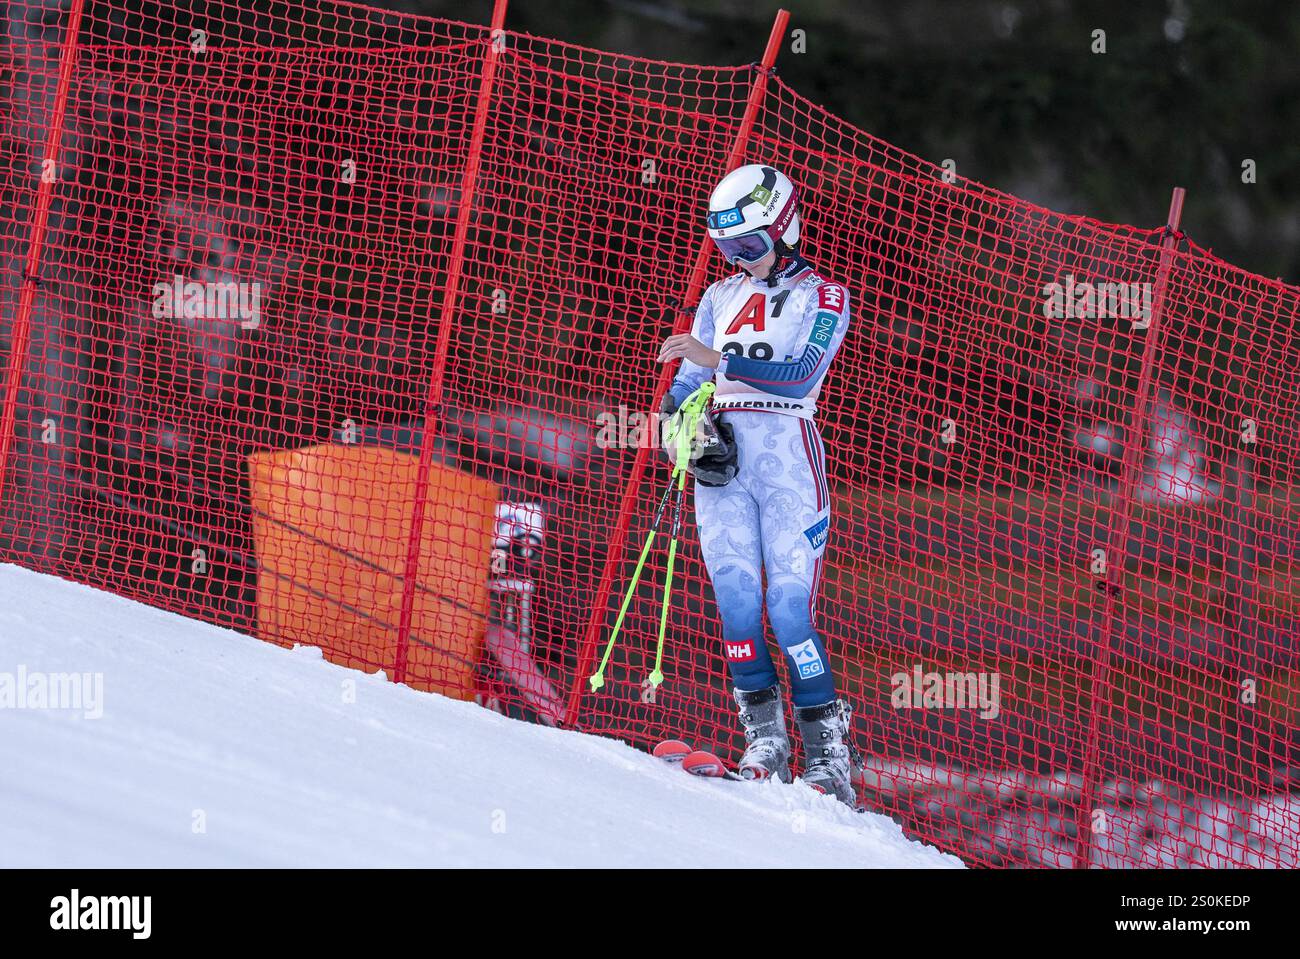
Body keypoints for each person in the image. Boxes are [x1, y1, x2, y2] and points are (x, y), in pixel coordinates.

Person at [656, 164, 855, 803]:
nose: (741, 260)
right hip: (727, 462)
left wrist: (717, 362)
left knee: (788, 611)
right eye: (729, 249)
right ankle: (764, 736)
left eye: (750, 246)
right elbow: (689, 381)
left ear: (786, 229)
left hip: (789, 457)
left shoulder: (823, 298)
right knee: (737, 604)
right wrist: (677, 422)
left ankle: (828, 752)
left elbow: (799, 375)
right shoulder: (718, 297)